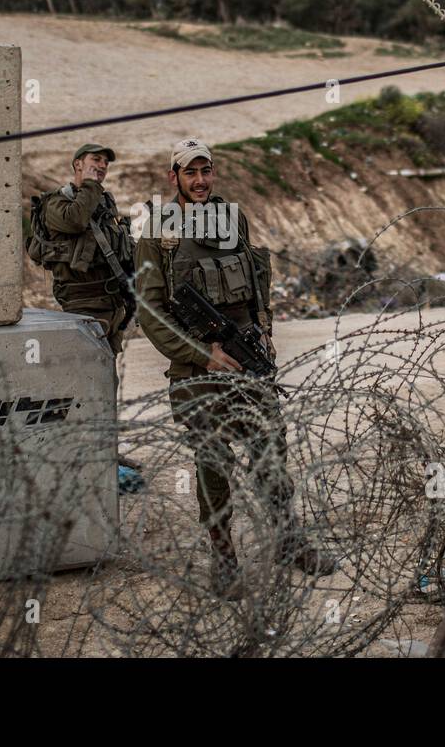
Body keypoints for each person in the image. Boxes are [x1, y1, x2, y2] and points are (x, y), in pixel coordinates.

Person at [134, 138, 336, 599]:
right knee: (213, 462)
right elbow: (150, 310)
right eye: (190, 172)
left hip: (246, 357)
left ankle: (288, 540)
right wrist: (201, 354)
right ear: (173, 177)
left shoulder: (232, 217)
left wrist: (264, 331)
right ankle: (223, 558)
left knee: (271, 451)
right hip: (199, 369)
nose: (200, 180)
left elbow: (256, 281)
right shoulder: (158, 231)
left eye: (205, 170)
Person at [28, 144, 134, 355]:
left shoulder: (102, 202)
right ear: (78, 164)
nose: (102, 165)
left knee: (108, 371)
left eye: (106, 162)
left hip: (113, 304)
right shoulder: (55, 202)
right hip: (83, 307)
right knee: (89, 369)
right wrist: (90, 185)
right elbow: (75, 221)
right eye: (96, 159)